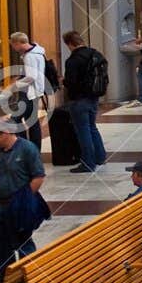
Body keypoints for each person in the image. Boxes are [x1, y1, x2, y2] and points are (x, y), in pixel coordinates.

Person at [0, 121, 45, 275]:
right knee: (2, 247)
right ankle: (6, 281)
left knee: (24, 244)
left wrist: (23, 200)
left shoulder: (27, 149)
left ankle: (28, 278)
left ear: (5, 133)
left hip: (18, 207)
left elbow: (38, 177)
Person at [60, 29, 109, 174]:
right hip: (94, 97)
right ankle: (100, 157)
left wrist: (63, 81)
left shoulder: (73, 60)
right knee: (92, 127)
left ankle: (88, 163)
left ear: (70, 44)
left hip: (79, 99)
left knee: (83, 131)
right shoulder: (96, 54)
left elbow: (71, 82)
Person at [7, 31, 50, 149]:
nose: (13, 48)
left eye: (12, 45)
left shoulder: (29, 56)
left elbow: (31, 77)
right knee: (32, 122)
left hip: (29, 93)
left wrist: (15, 85)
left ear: (17, 43)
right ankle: (34, 149)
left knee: (16, 120)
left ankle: (24, 148)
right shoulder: (38, 52)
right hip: (36, 91)